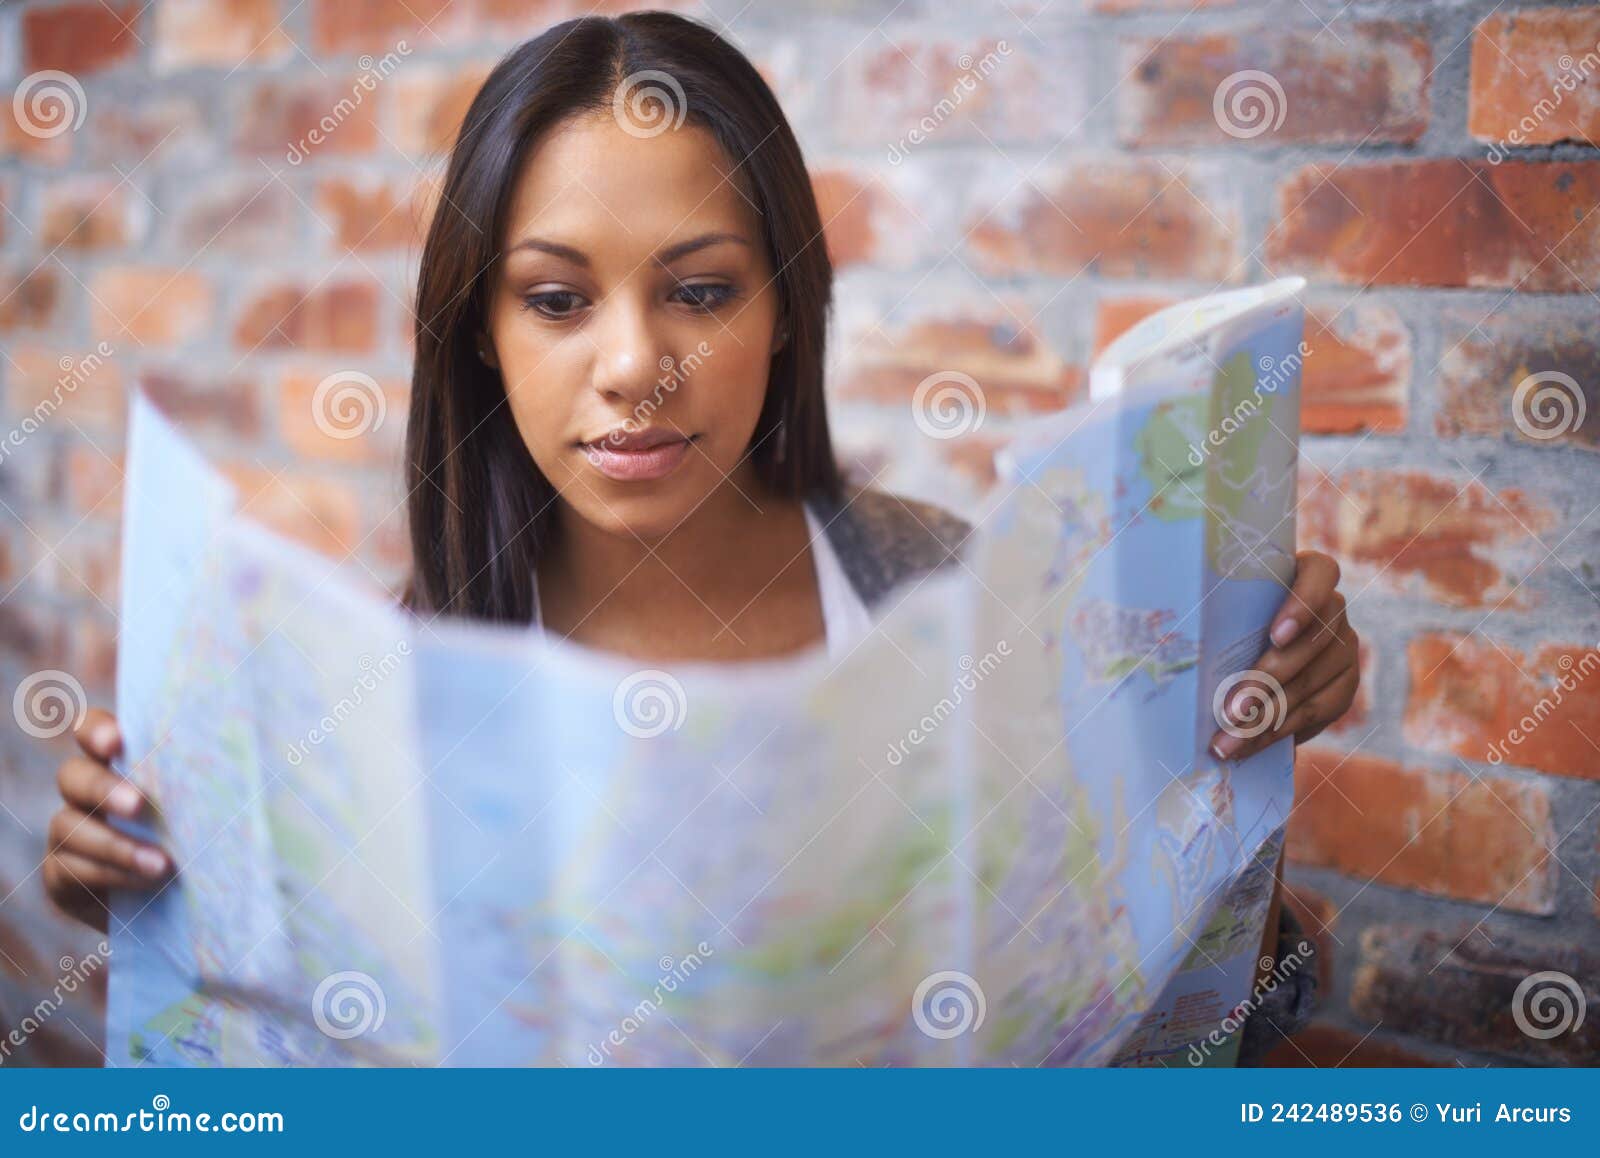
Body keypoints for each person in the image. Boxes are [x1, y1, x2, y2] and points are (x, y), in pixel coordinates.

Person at [42, 11, 1359, 1061]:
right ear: (481, 337)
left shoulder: (970, 596)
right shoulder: (365, 703)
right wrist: (163, 909)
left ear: (788, 309)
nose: (635, 366)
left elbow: (1252, 1004)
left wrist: (1230, 749)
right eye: (556, 298)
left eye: (702, 292)